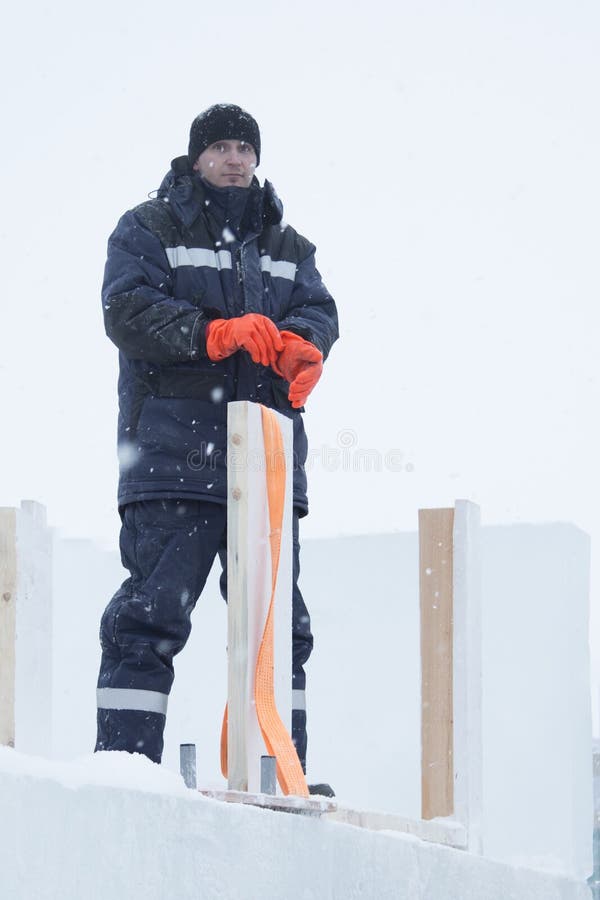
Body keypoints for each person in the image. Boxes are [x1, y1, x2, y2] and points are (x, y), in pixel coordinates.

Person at [95, 103, 339, 787]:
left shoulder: (289, 245)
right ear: (197, 157)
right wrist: (212, 333)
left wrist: (305, 346)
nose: (235, 158)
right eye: (222, 146)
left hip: (264, 466)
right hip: (175, 465)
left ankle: (278, 774)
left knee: (276, 631)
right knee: (150, 621)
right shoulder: (151, 227)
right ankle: (124, 774)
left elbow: (319, 313)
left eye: (245, 147)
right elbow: (127, 309)